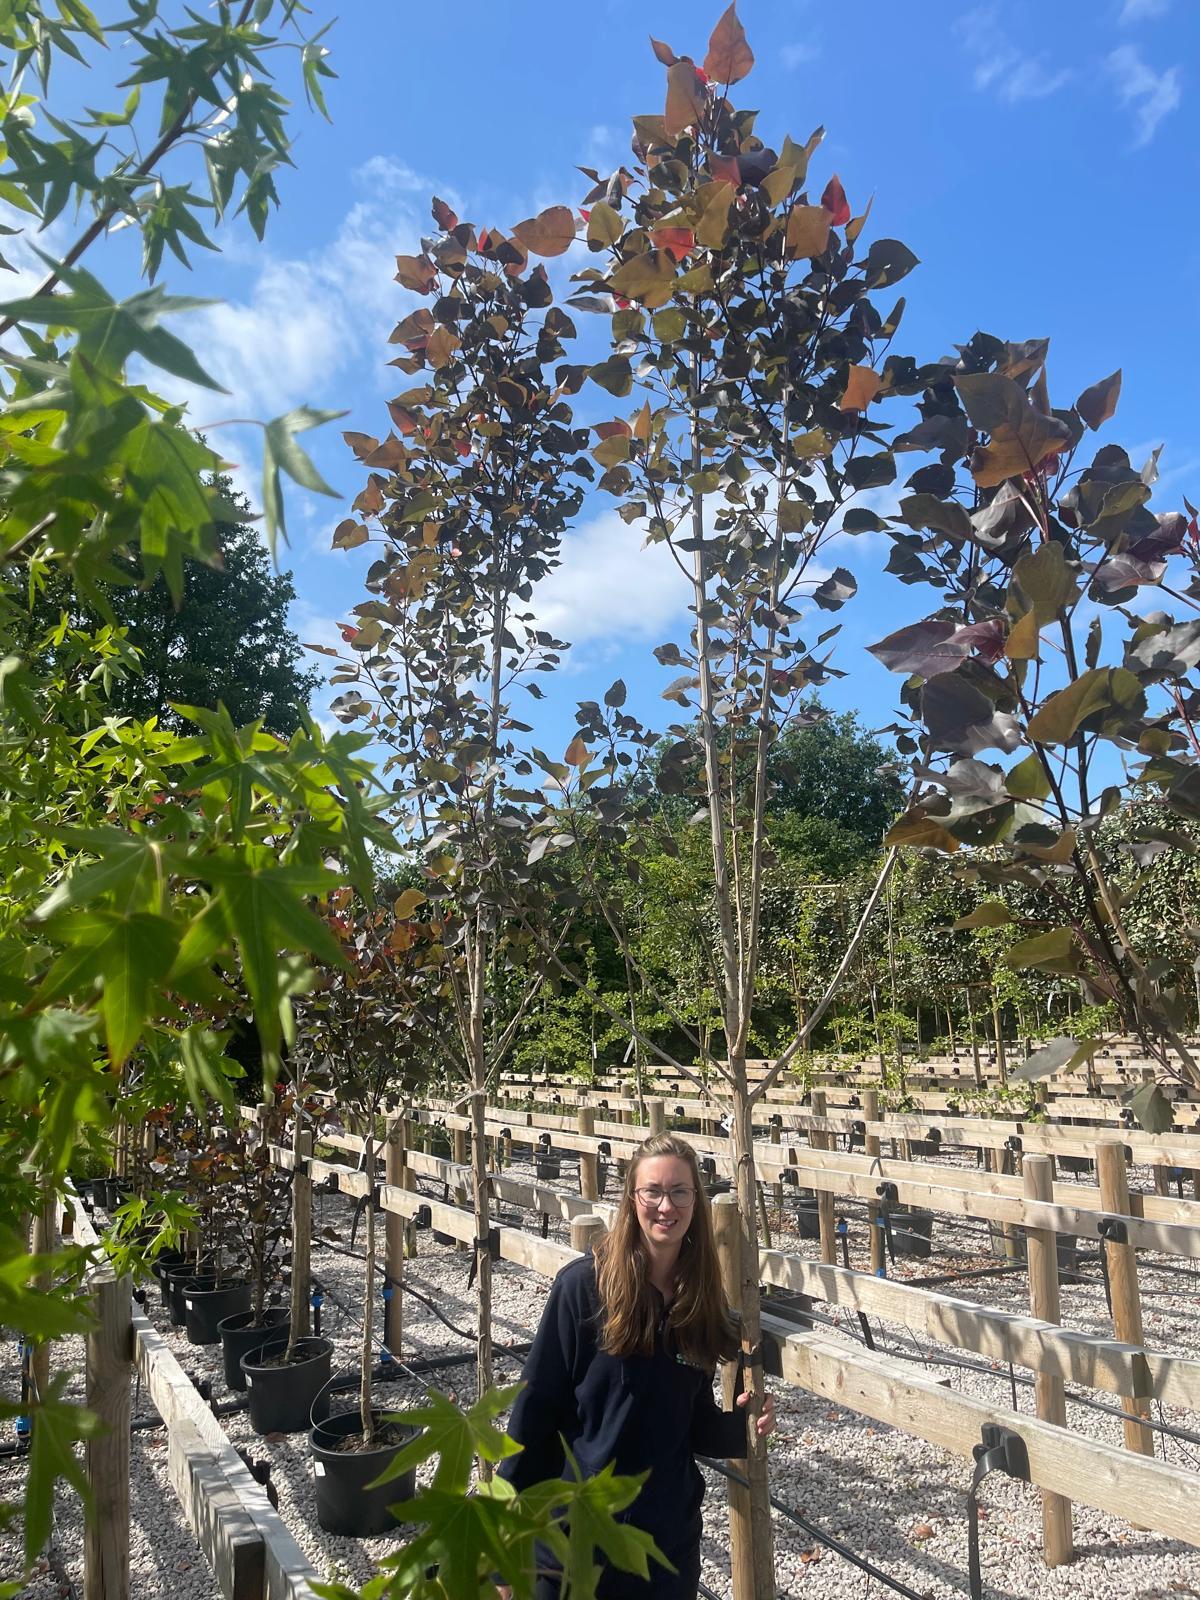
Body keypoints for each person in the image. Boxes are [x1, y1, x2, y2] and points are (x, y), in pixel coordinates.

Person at [498, 1132, 776, 1599]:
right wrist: (502, 1553)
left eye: (679, 1192)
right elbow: (533, 1416)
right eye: (653, 1191)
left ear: (696, 1202)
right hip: (577, 1539)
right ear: (633, 1199)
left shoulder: (699, 1299)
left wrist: (742, 1426)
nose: (666, 1207)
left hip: (664, 1543)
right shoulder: (583, 1289)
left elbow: (690, 1421)